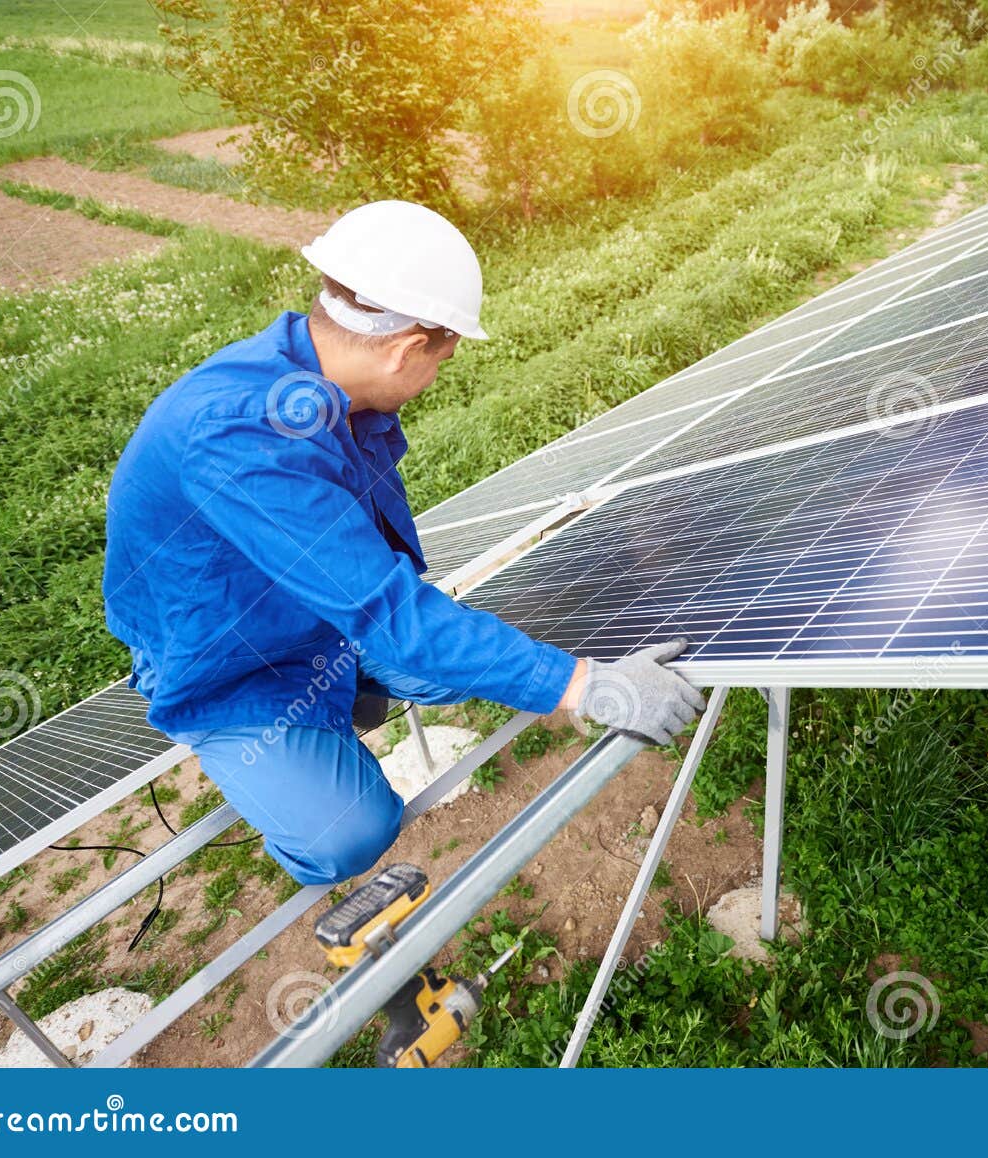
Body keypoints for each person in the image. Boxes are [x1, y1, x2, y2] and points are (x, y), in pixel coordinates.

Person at [102, 200, 704, 887]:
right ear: (406, 348)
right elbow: (386, 611)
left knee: (454, 664)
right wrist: (588, 686)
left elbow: (378, 581)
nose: (434, 378)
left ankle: (350, 676)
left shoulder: (324, 385)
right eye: (440, 360)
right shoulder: (247, 439)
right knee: (348, 833)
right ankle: (290, 759)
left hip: (323, 613)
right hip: (229, 660)